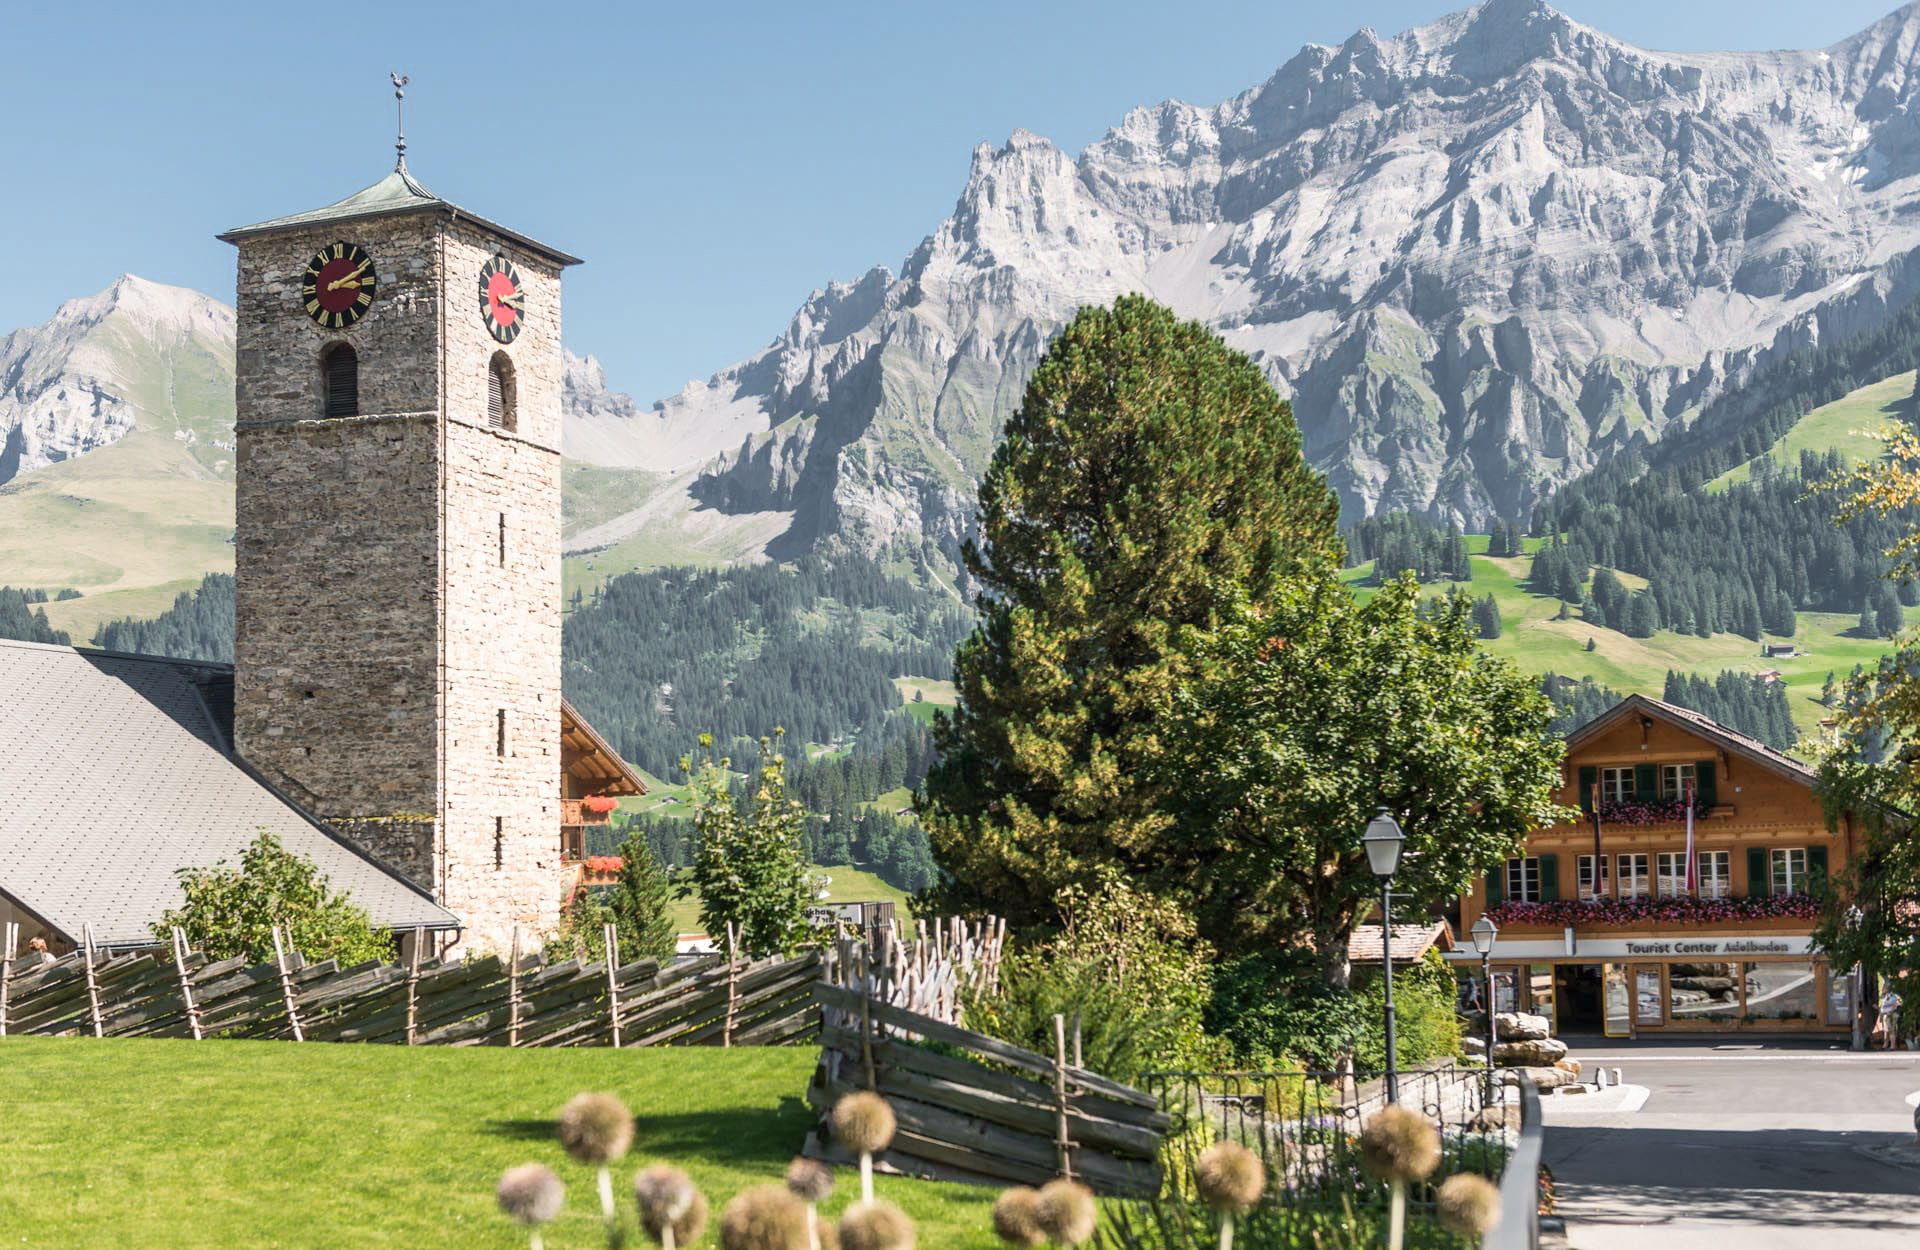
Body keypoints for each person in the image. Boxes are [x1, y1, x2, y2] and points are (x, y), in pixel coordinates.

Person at [1880, 985, 1903, 1051]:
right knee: (1886, 1030)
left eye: (1884, 988)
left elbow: (1898, 1003)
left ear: (1887, 989)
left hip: (1891, 1014)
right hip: (1885, 1014)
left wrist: (1891, 1011)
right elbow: (1882, 1006)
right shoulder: (1884, 996)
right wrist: (1881, 1014)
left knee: (1891, 1030)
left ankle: (1892, 1046)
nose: (1882, 989)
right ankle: (1885, 1045)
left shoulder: (1892, 995)